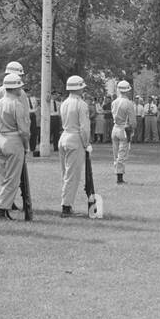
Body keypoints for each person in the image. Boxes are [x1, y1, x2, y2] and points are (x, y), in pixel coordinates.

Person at [0, 71, 32, 219]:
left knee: (4, 175)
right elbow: (23, 130)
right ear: (16, 89)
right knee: (12, 178)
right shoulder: (17, 104)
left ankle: (3, 207)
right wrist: (26, 145)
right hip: (13, 140)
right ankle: (2, 209)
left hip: (0, 138)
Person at [59, 74, 90, 216]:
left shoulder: (64, 103)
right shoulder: (81, 104)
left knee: (66, 174)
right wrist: (86, 143)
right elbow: (84, 128)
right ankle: (66, 206)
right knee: (72, 175)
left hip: (64, 136)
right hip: (75, 138)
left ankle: (67, 204)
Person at [111, 79, 136, 184]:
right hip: (124, 129)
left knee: (116, 153)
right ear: (128, 90)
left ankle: (118, 174)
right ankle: (119, 178)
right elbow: (133, 121)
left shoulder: (114, 102)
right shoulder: (128, 103)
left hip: (115, 128)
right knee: (122, 154)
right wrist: (133, 129)